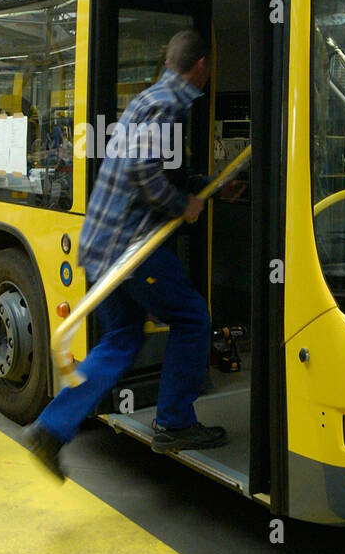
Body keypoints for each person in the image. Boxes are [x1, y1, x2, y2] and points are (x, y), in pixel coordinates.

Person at [22, 29, 224, 481]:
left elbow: (161, 168)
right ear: (200, 66)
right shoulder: (167, 105)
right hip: (130, 249)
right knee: (192, 317)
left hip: (103, 244)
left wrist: (204, 185)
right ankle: (174, 422)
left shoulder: (147, 99)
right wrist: (182, 205)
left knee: (121, 340)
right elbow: (143, 173)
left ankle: (51, 429)